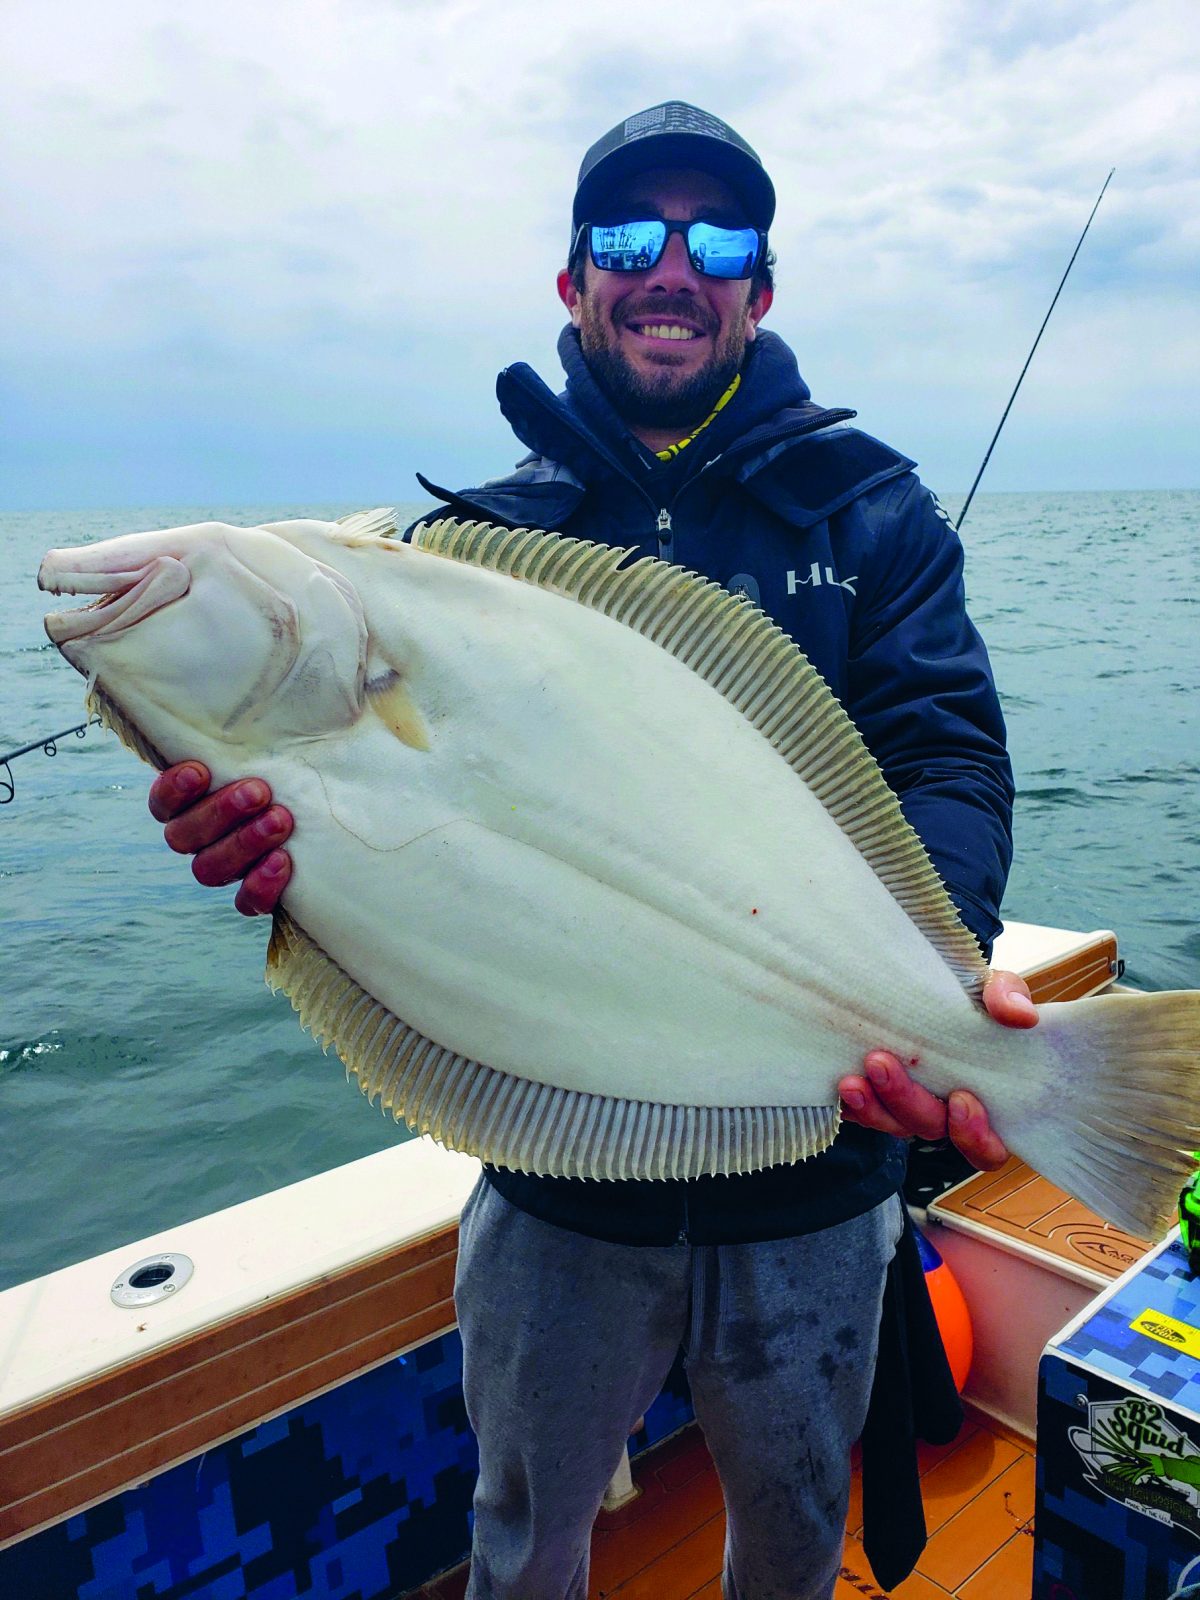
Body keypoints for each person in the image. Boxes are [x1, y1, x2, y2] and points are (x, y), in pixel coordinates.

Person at [149, 102, 1037, 1600]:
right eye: (629, 238)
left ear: (762, 288)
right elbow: (409, 839)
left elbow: (944, 751)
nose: (671, 267)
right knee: (524, 1539)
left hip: (816, 1171)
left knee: (792, 1538)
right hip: (561, 1180)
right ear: (574, 286)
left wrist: (932, 976)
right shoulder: (472, 545)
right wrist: (275, 844)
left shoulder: (870, 511)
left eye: (718, 239)